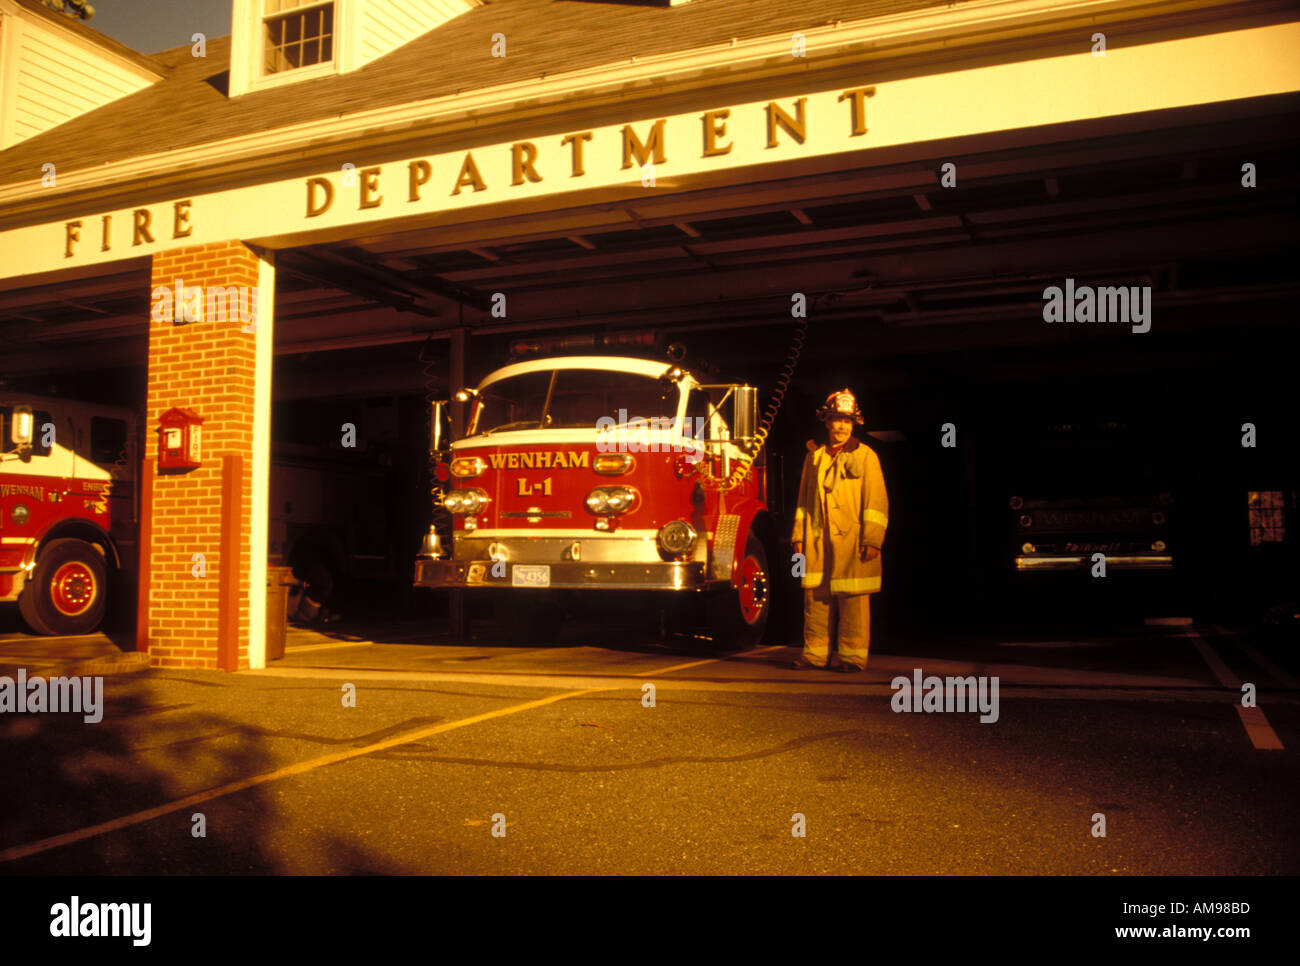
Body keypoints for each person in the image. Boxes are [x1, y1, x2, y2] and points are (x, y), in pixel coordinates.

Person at [789, 389, 888, 671]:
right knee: (815, 598)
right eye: (836, 420)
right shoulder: (814, 458)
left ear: (854, 424)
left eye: (847, 421)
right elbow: (803, 501)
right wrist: (798, 536)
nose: (842, 426)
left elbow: (876, 501)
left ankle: (852, 658)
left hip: (853, 542)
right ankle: (814, 655)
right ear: (826, 422)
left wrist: (872, 539)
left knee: (853, 600)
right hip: (817, 541)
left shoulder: (867, 457)